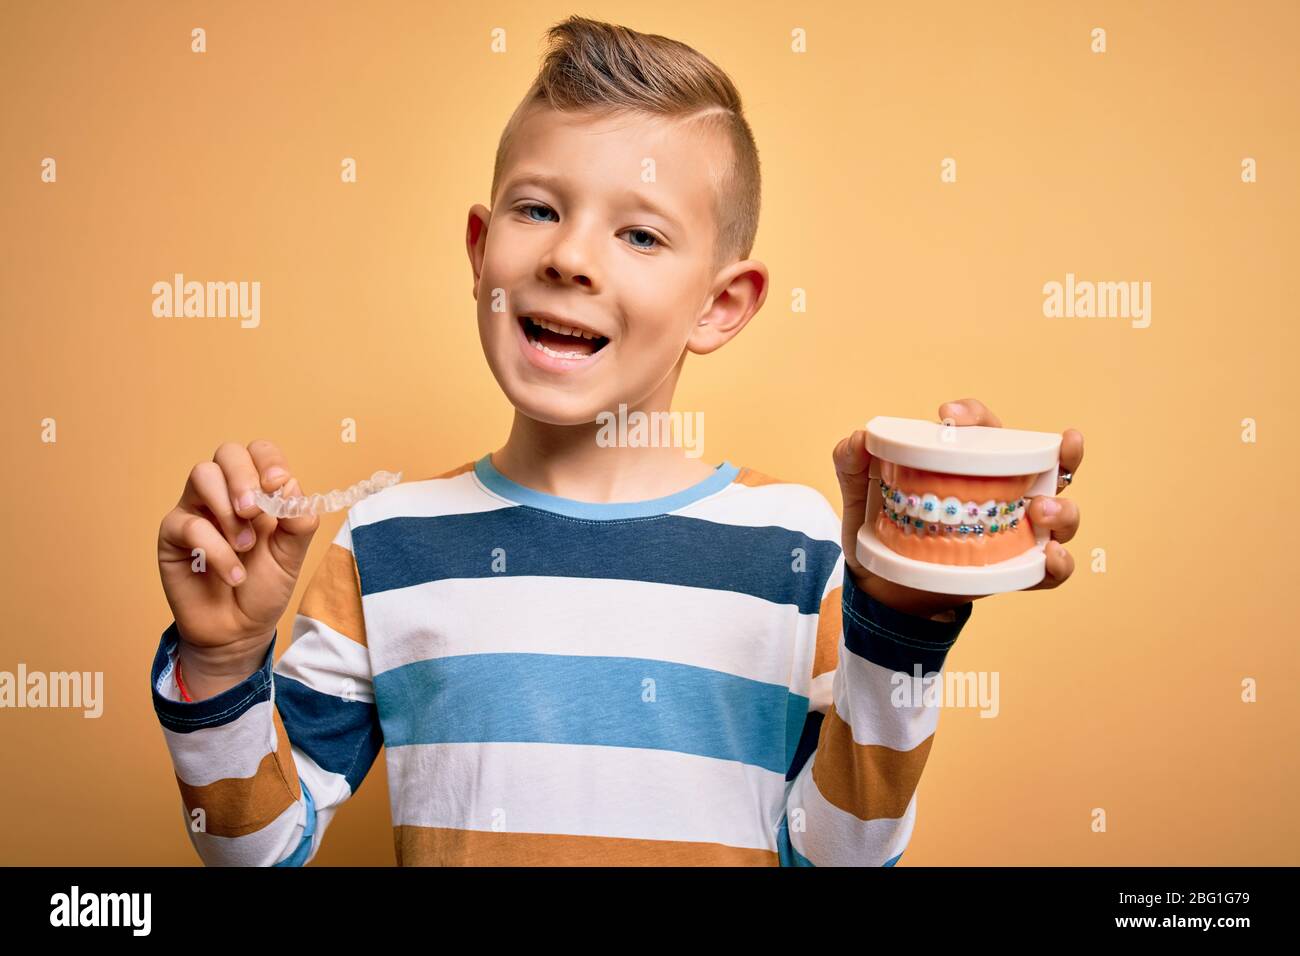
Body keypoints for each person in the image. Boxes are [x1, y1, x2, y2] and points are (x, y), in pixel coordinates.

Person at [152, 15, 1084, 866]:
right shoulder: (382, 544)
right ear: (481, 252)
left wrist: (902, 627)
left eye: (639, 234)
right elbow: (256, 854)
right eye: (537, 210)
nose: (568, 256)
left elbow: (847, 854)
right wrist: (224, 666)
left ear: (720, 305)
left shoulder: (795, 548)